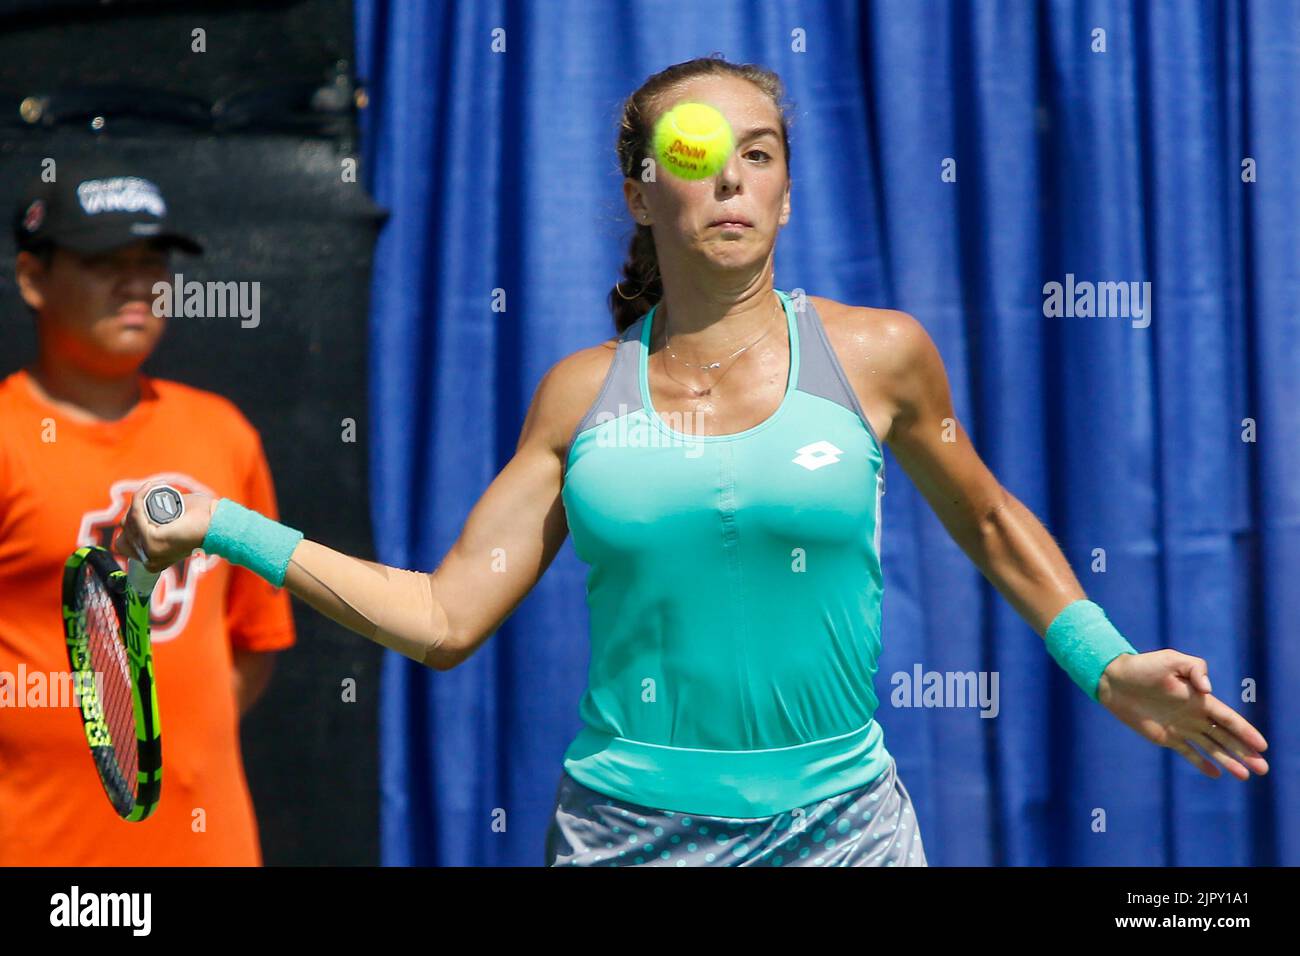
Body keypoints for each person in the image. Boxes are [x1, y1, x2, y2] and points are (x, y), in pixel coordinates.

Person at [118, 57, 1269, 868]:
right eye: (698, 151)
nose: (730, 178)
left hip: (846, 833)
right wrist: (226, 521)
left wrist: (1102, 662)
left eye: (758, 153)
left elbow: (994, 521)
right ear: (640, 191)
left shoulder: (880, 355)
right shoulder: (576, 396)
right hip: (627, 834)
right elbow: (440, 617)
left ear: (782, 187)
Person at [0, 161, 296, 865]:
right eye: (106, 261)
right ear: (33, 279)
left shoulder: (224, 433)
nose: (137, 283)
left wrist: (152, 741)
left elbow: (252, 641)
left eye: (152, 261)